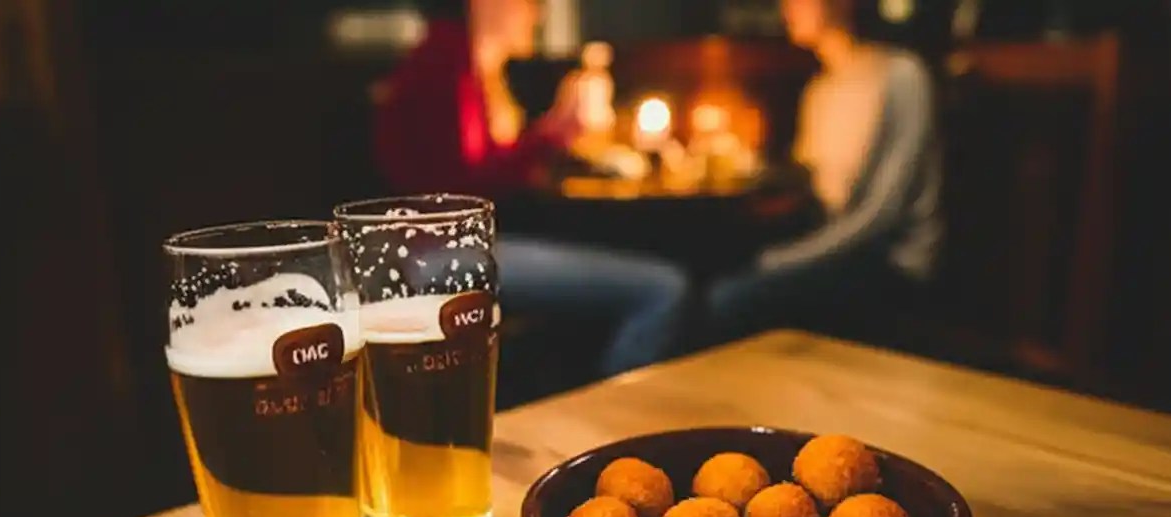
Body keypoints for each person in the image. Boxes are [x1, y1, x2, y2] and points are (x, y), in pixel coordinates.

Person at [373, 0, 690, 377]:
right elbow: (458, 194)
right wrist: (553, 134)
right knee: (662, 290)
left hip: (459, 244)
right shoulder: (444, 60)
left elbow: (479, 170)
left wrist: (553, 139)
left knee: (644, 283)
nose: (536, 14)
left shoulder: (470, 62)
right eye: (529, 3)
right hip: (437, 253)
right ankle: (616, 417)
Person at [705, 0, 943, 342]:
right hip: (834, 245)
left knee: (731, 300)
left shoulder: (903, 75)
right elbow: (809, 186)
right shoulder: (821, 88)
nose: (787, 9)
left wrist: (787, 259)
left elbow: (882, 213)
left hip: (888, 260)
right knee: (717, 277)